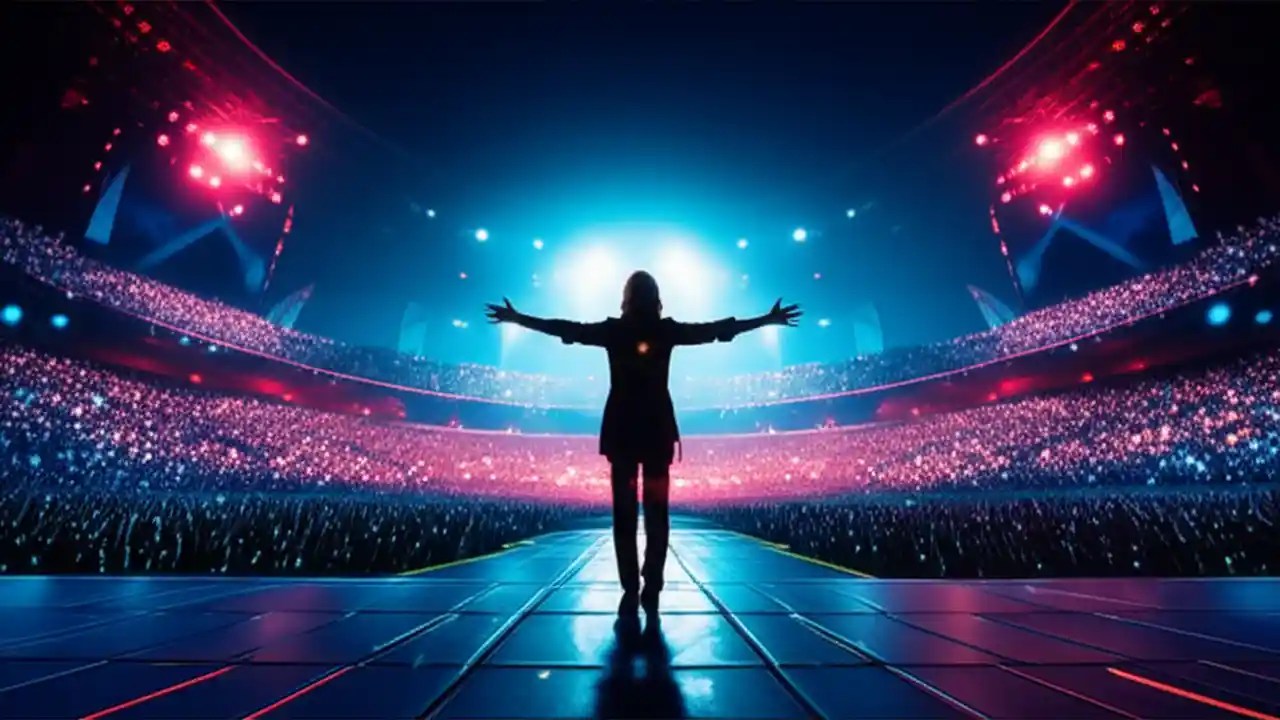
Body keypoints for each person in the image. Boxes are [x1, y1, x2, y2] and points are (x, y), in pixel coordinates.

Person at [486, 270, 800, 611]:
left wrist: (519, 318)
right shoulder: (665, 331)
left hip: (621, 429)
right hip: (656, 429)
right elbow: (714, 331)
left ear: (626, 297)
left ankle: (630, 586)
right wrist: (766, 320)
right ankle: (653, 583)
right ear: (656, 297)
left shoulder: (614, 330)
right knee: (657, 514)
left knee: (623, 515)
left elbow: (566, 328)